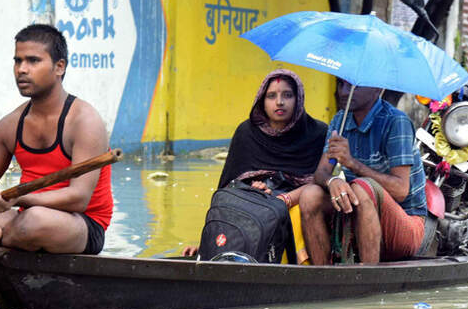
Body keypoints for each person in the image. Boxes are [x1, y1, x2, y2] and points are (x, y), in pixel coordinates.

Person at [0, 24, 113, 259]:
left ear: (59, 67)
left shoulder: (85, 121)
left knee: (35, 220)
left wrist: (19, 198)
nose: (22, 70)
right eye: (18, 61)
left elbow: (79, 199)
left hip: (79, 225)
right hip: (23, 217)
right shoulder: (10, 125)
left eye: (33, 61)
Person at [181, 69, 328, 257]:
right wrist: (251, 190)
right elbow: (227, 193)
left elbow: (320, 182)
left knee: (295, 212)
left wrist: (280, 199)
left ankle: (309, 272)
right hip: (257, 203)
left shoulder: (316, 133)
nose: (279, 102)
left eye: (287, 95)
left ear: (298, 99)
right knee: (242, 207)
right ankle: (219, 252)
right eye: (271, 96)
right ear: (262, 101)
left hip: (297, 202)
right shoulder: (246, 133)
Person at [297, 79, 427, 265]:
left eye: (353, 86)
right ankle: (323, 276)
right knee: (311, 195)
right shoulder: (340, 120)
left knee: (361, 187)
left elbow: (400, 190)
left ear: (377, 89)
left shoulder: (396, 121)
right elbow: (321, 174)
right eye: (342, 84)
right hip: (359, 213)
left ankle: (367, 277)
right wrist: (332, 181)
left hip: (407, 222)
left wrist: (352, 163)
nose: (344, 92)